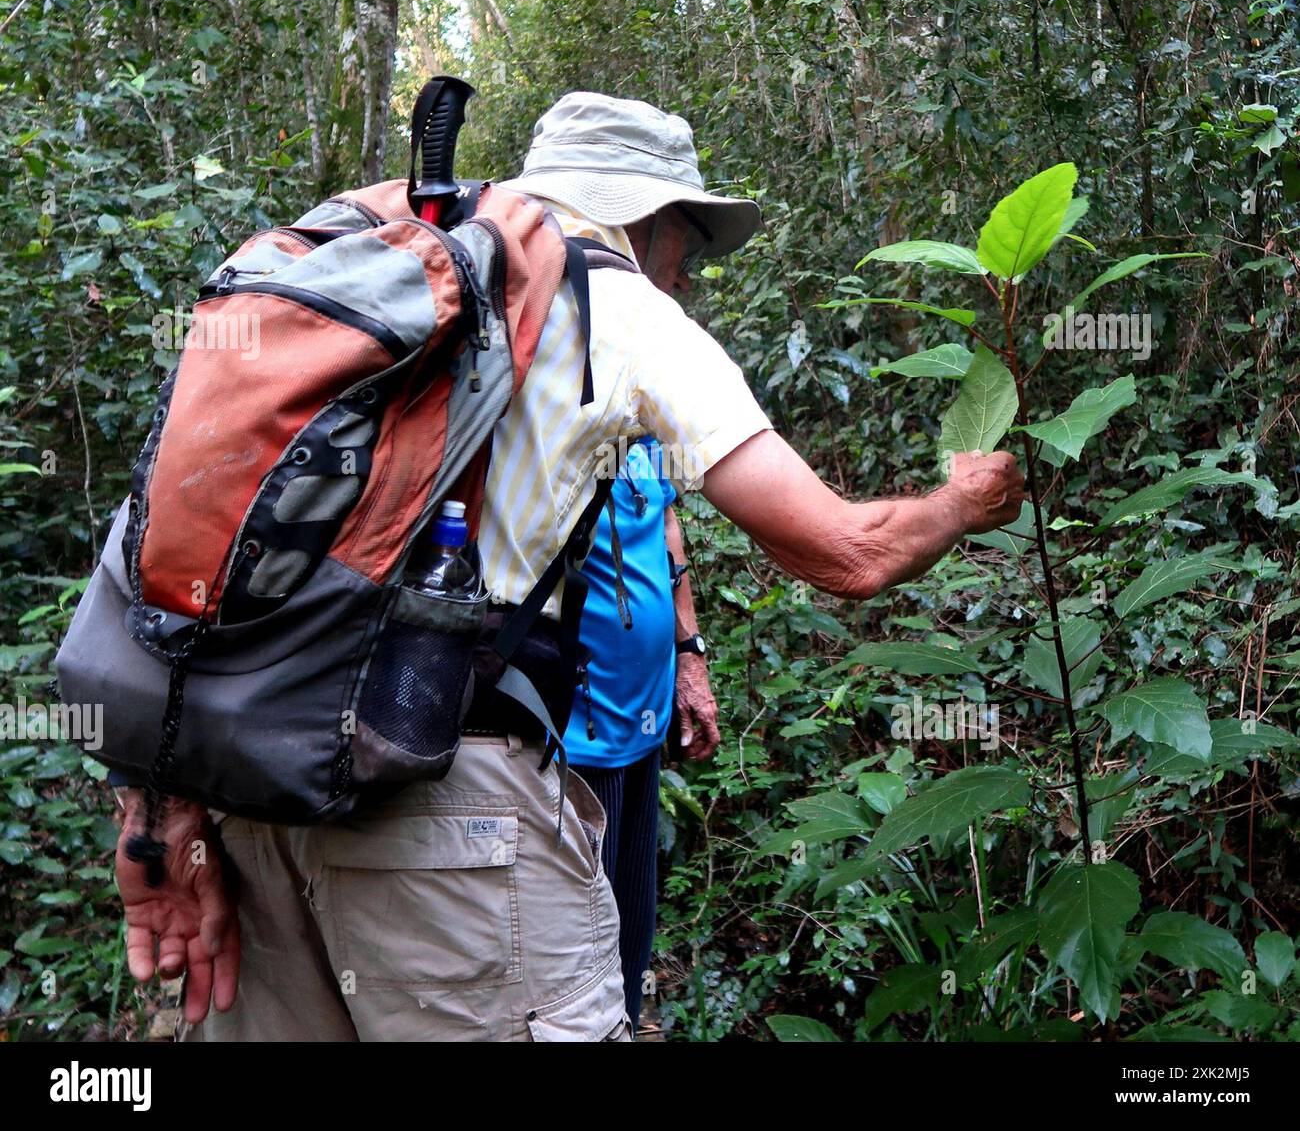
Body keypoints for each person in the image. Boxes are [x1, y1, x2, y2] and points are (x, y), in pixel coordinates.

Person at [114, 90, 1027, 1040]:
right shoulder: (618, 307)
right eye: (691, 244)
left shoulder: (357, 279)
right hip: (448, 819)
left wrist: (156, 816)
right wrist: (963, 501)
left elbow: (180, 551)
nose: (688, 273)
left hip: (248, 795)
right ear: (650, 218)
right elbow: (848, 554)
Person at [561, 433, 718, 1034]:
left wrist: (690, 656)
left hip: (641, 728)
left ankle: (625, 1021)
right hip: (571, 738)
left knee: (631, 925)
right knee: (576, 944)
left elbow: (665, 519)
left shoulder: (643, 421)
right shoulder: (551, 415)